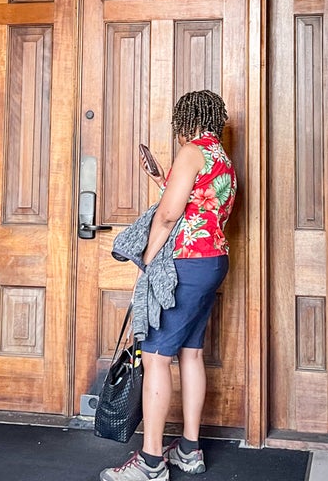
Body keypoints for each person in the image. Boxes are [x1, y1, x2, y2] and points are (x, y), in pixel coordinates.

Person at [101, 90, 237, 481]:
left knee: (158, 356)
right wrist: (165, 179)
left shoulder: (193, 151)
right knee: (190, 353)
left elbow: (168, 216)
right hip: (213, 261)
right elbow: (201, 206)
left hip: (185, 264)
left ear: (186, 120)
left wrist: (146, 259)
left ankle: (150, 462)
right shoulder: (221, 157)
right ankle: (190, 451)